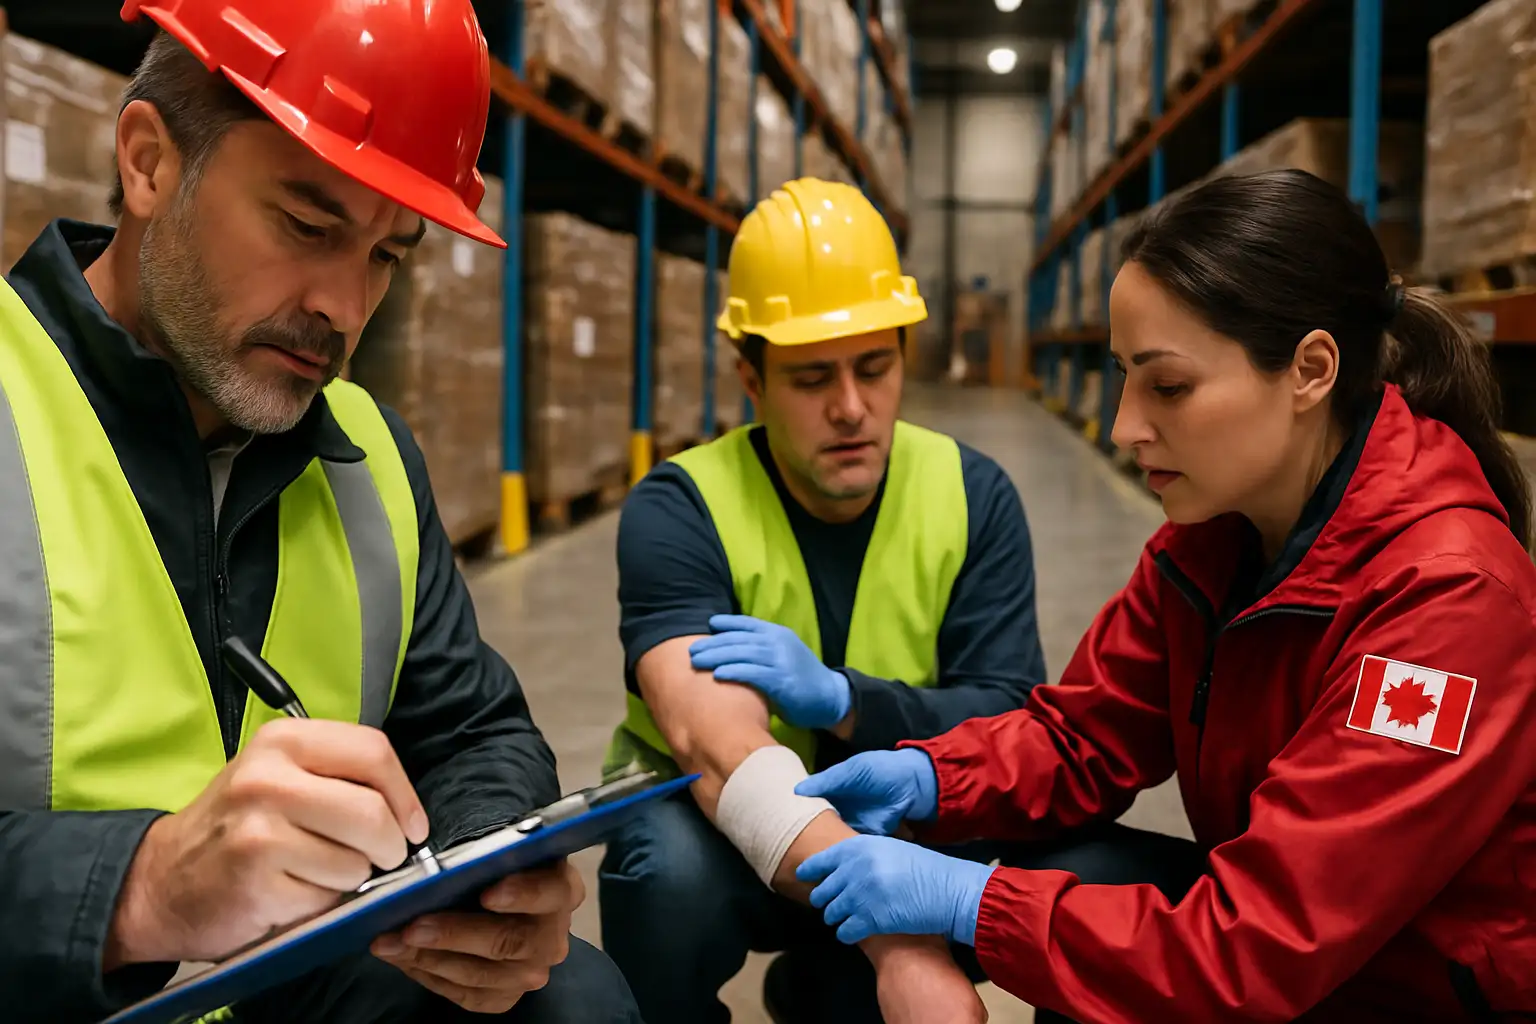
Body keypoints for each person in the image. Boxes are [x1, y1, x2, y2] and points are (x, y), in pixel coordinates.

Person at [0, 2, 640, 1022]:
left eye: (390, 255)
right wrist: (140, 888)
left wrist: (484, 876)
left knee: (575, 1000)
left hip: (292, 981)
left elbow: (474, 726)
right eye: (308, 225)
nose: (345, 305)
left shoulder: (370, 453)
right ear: (149, 163)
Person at [788, 168, 1536, 1023]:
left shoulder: (1447, 605)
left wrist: (974, 903)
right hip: (1302, 957)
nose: (1124, 425)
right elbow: (1083, 735)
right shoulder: (1216, 541)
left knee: (1055, 923)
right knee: (1071, 881)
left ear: (1311, 370)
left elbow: (1261, 945)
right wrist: (929, 776)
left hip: (1403, 991)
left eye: (1167, 386)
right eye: (1121, 376)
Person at [595, 177, 1051, 1023]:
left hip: (906, 818)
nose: (851, 408)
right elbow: (718, 748)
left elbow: (1012, 718)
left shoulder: (971, 494)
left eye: (875, 368)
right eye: (811, 379)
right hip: (729, 827)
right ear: (751, 378)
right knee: (662, 873)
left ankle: (824, 993)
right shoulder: (681, 506)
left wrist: (851, 705)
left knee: (1077, 859)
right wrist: (902, 946)